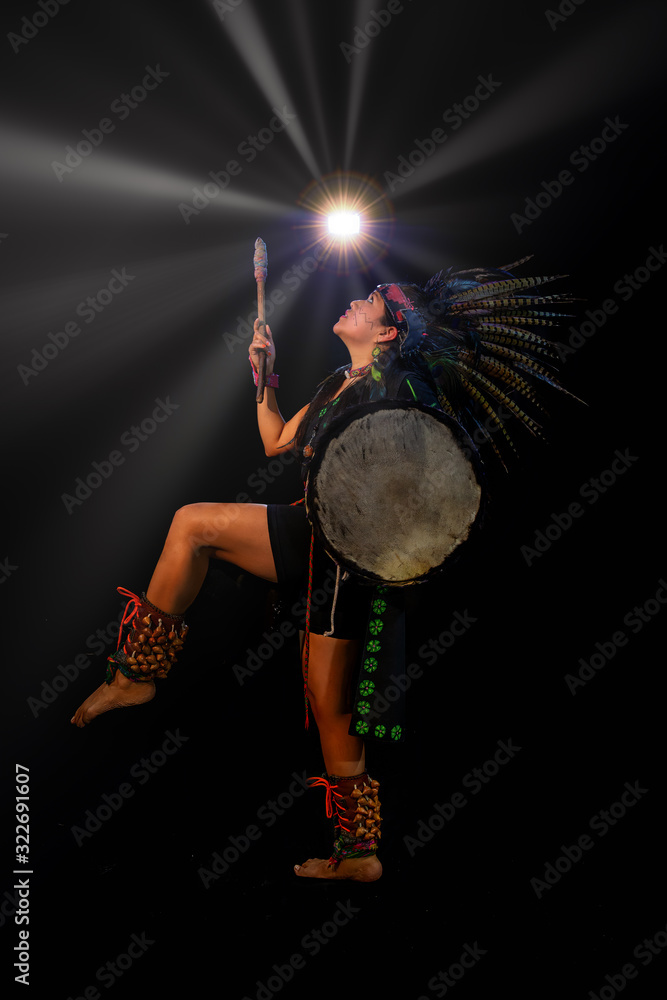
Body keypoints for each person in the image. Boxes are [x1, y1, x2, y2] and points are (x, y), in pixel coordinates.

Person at [71, 258, 574, 881]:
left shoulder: (400, 391)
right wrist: (263, 376)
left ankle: (360, 855)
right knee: (192, 523)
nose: (353, 305)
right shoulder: (340, 381)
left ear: (388, 333)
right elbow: (276, 441)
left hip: (343, 559)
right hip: (305, 527)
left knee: (328, 703)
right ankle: (138, 675)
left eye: (368, 304)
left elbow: (419, 483)